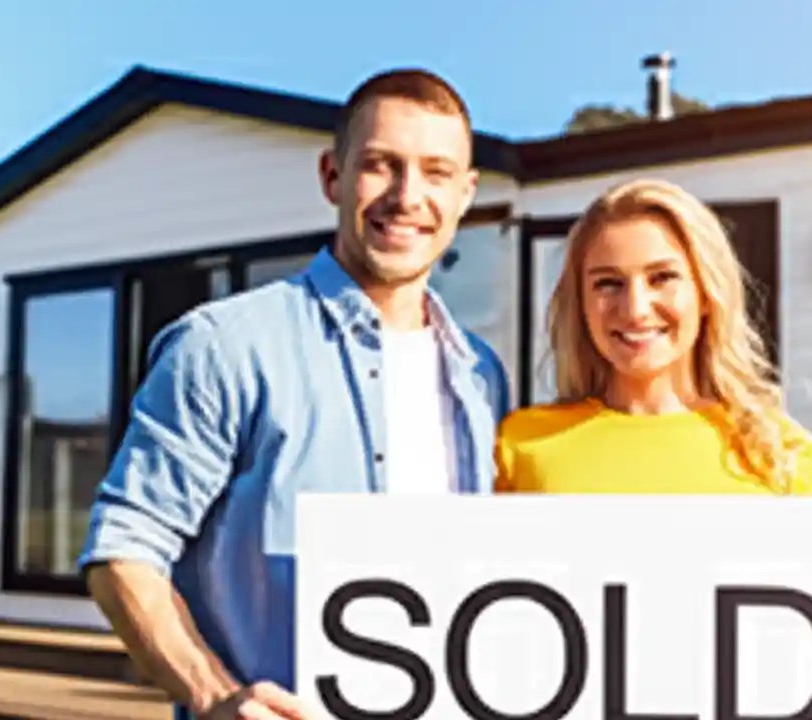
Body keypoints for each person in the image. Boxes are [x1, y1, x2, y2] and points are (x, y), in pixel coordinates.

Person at [77, 68, 510, 720]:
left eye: (436, 172)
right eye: (381, 165)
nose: (407, 196)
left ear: (466, 193)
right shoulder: (223, 345)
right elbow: (125, 549)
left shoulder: (481, 374)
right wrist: (215, 695)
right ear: (333, 176)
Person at [494, 177, 812, 666]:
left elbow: (804, 641)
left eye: (662, 278)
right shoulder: (524, 444)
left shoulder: (777, 450)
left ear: (705, 292)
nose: (635, 308)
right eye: (608, 283)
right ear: (582, 305)